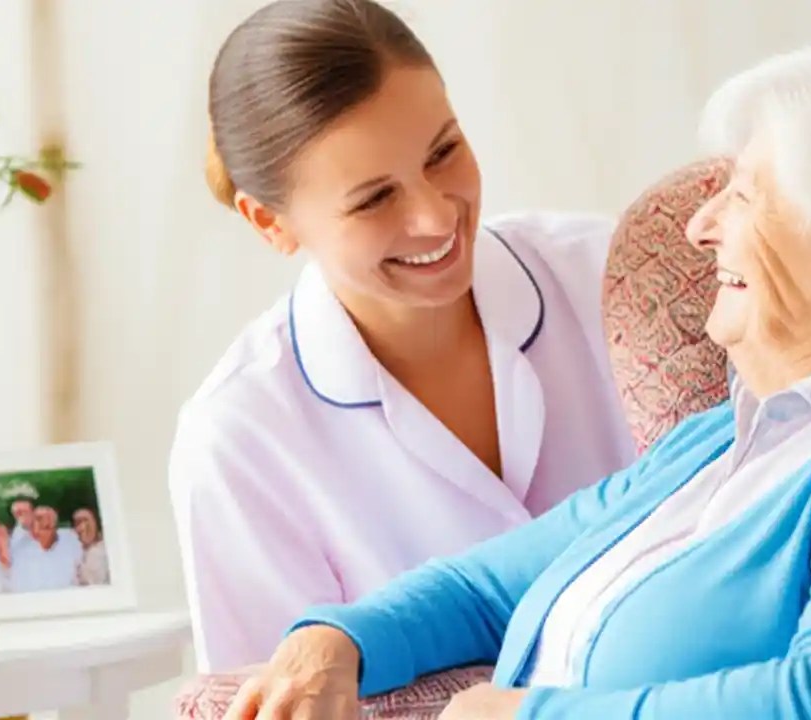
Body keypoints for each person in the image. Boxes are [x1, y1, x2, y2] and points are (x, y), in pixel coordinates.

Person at [227, 36, 811, 719]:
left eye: (744, 197)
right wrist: (333, 640)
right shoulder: (720, 442)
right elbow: (488, 586)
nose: (702, 227)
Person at [168, 0, 637, 672]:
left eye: (443, 151)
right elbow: (279, 699)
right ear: (270, 224)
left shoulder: (615, 276)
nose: (435, 214)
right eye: (374, 199)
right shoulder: (240, 439)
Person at [73, 507, 109, 586]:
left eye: (86, 521)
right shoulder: (78, 553)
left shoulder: (105, 551)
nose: (82, 527)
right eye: (77, 523)